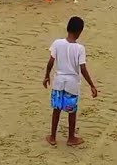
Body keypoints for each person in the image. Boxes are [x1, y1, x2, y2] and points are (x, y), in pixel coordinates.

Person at [43, 16, 98, 147]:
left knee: (56, 109)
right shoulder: (80, 48)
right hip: (72, 83)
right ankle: (71, 137)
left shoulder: (57, 43)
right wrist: (92, 85)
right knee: (71, 111)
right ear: (79, 31)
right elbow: (82, 68)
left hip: (58, 81)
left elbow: (51, 61)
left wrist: (46, 76)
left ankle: (52, 136)